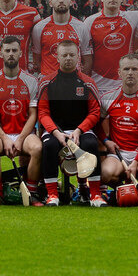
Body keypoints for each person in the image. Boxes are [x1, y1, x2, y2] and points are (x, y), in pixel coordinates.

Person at [36, 40, 103, 206]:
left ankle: (95, 194)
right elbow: (43, 112)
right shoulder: (47, 82)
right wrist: (56, 132)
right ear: (57, 58)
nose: (68, 58)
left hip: (81, 130)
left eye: (72, 55)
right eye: (64, 55)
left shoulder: (87, 82)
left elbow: (95, 112)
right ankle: (53, 195)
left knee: (91, 144)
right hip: (55, 131)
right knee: (50, 146)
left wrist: (79, 130)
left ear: (78, 57)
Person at [0, 36, 42, 205]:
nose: (11, 54)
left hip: (24, 132)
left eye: (15, 50)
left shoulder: (31, 81)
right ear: (0, 53)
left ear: (21, 53)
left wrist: (21, 138)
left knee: (37, 148)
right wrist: (5, 138)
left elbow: (33, 115)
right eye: (7, 51)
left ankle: (31, 193)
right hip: (0, 134)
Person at [99, 54, 138, 197]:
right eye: (126, 69)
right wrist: (106, 141)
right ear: (119, 73)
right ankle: (122, 190)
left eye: (134, 69)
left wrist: (135, 162)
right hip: (117, 153)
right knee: (106, 173)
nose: (130, 73)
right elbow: (97, 124)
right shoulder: (107, 98)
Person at [81, 0, 138, 93]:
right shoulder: (90, 22)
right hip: (98, 85)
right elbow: (85, 57)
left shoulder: (132, 17)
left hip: (124, 86)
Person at [31, 0, 89, 78]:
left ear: (70, 1)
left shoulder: (81, 27)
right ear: (50, 3)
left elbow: (87, 60)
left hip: (73, 81)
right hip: (48, 81)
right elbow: (36, 60)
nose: (61, 0)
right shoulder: (39, 27)